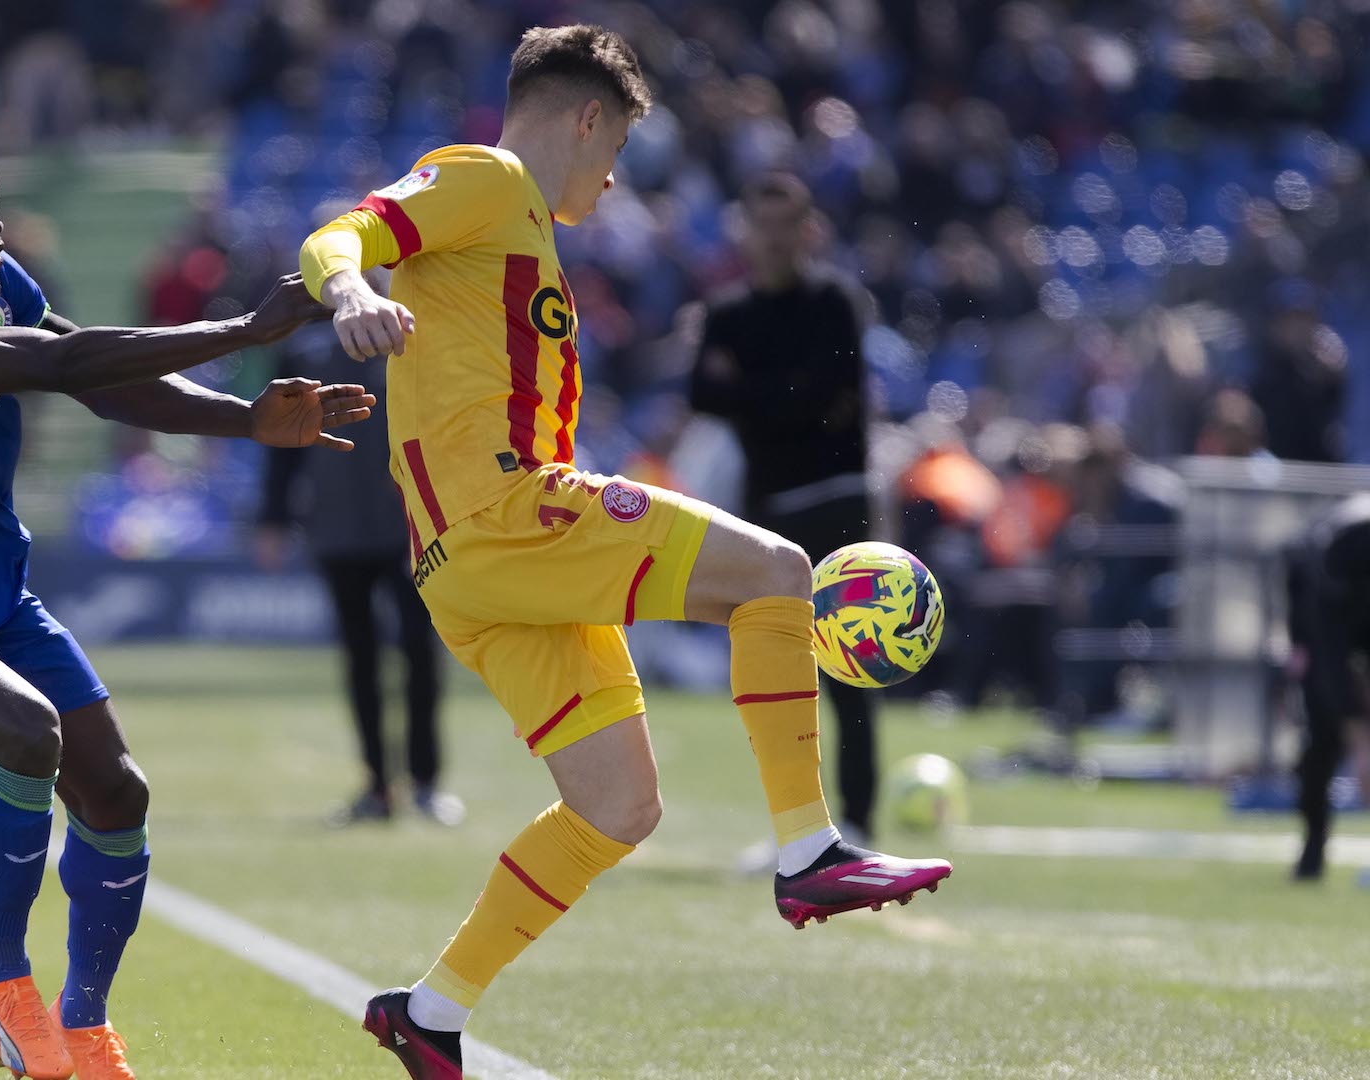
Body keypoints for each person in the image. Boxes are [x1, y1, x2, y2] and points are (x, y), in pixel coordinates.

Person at [298, 26, 950, 1080]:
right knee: (781, 574)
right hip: (506, 515)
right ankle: (808, 852)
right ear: (588, 117)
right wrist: (350, 291)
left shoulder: (517, 227)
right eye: (616, 154)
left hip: (469, 569)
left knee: (618, 806)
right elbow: (341, 233)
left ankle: (431, 1012)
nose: (611, 181)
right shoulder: (488, 177)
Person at [0, 101, 363, 1080]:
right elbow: (64, 362)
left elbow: (100, 380)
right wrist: (243, 328)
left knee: (117, 790)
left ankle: (83, 1028)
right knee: (24, 728)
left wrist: (249, 425)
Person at [689, 170, 880, 844]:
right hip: (766, 510)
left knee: (846, 666)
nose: (772, 241)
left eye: (785, 226)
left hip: (834, 503)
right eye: (761, 225)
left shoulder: (834, 302)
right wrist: (784, 395)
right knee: (774, 672)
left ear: (808, 231)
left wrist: (755, 391)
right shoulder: (727, 311)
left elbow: (825, 402)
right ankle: (797, 826)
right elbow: (703, 396)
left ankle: (855, 817)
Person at [258, 317, 460, 827]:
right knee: (361, 660)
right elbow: (279, 439)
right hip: (337, 528)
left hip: (411, 529)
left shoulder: (411, 338)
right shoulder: (303, 349)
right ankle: (376, 786)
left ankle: (426, 782)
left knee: (421, 652)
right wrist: (274, 517)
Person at [1287, 493, 1370, 882]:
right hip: (1321, 623)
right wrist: (1358, 730)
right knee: (1322, 739)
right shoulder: (1336, 556)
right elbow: (1331, 656)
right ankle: (1313, 849)